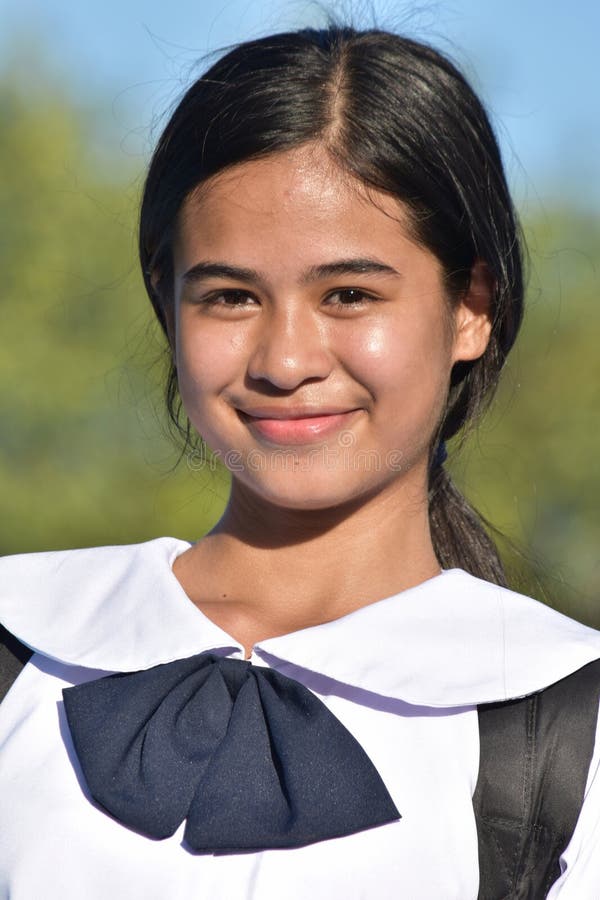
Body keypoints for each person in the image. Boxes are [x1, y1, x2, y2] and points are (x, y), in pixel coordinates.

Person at [1, 25, 599, 899]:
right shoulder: (27, 638)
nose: (285, 361)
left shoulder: (563, 725)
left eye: (349, 294)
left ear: (471, 307)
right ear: (167, 303)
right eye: (230, 296)